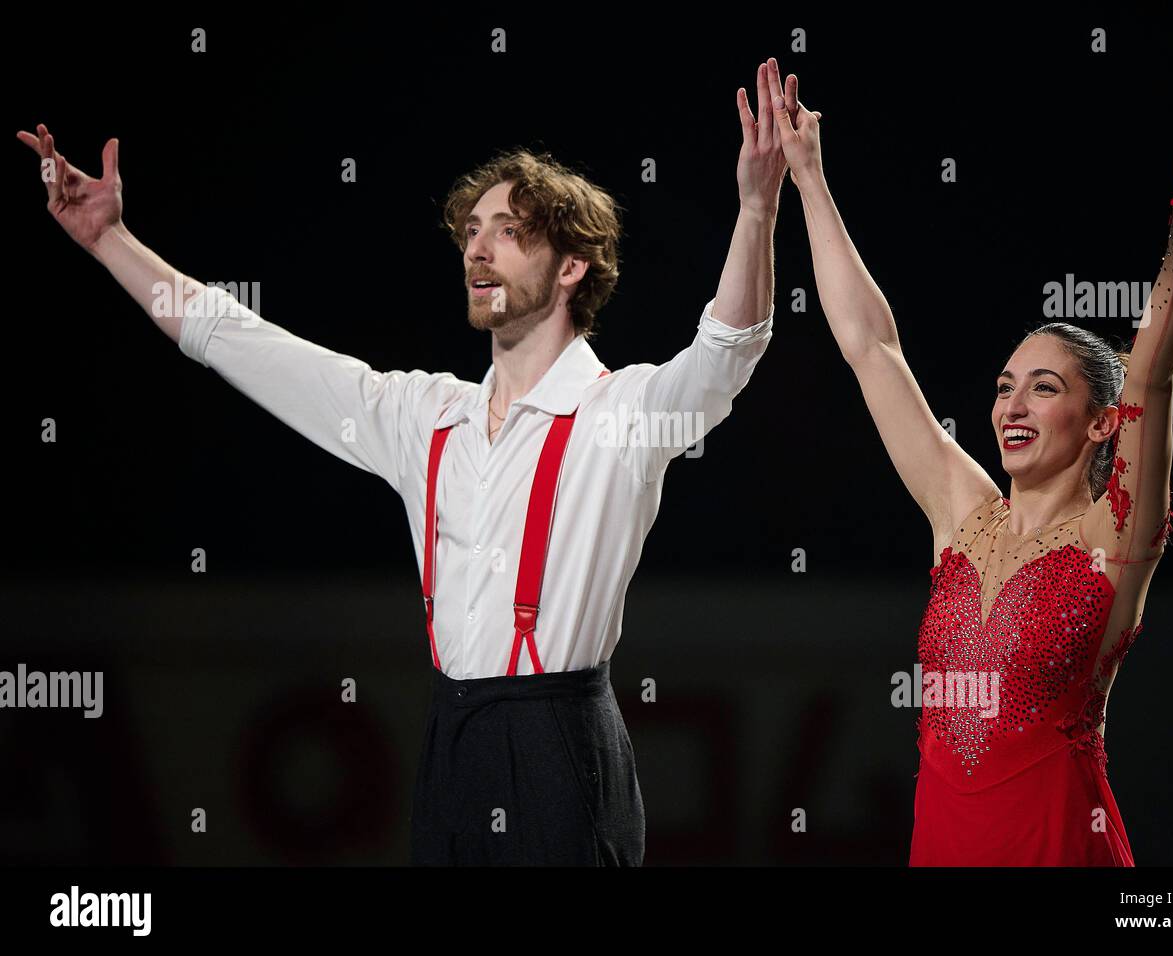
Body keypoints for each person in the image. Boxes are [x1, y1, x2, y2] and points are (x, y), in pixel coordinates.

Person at [16, 57, 791, 866]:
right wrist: (111, 241)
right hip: (451, 738)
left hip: (560, 747)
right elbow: (239, 342)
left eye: (508, 231)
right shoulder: (427, 415)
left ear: (571, 267)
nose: (478, 249)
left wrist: (757, 206)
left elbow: (727, 350)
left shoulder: (619, 413)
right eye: (471, 231)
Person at [767, 72, 1173, 865]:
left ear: (1102, 423)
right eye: (1006, 387)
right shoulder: (960, 513)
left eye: (1045, 390)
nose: (1013, 406)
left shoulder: (1117, 534)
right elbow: (871, 348)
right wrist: (808, 176)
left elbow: (1150, 374)